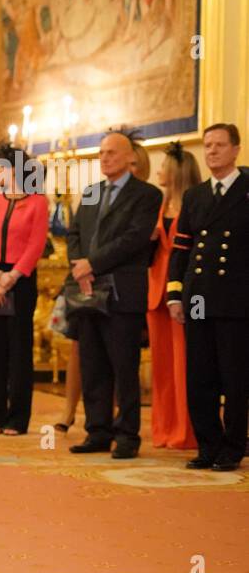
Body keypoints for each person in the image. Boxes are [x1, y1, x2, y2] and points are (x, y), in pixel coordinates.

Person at [66, 131, 163, 458]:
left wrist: (92, 263)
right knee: (93, 365)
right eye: (102, 153)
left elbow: (133, 239)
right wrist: (79, 265)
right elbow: (75, 233)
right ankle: (97, 431)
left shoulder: (146, 195)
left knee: (124, 367)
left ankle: (127, 436)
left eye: (111, 152)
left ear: (128, 157)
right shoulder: (92, 193)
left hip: (122, 293)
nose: (105, 158)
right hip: (88, 292)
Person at [167, 123, 249, 471]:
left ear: (236, 149)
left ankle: (233, 446)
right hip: (198, 297)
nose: (212, 151)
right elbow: (181, 248)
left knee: (234, 377)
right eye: (208, 145)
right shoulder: (196, 195)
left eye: (219, 145)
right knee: (200, 374)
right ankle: (208, 445)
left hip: (237, 298)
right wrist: (175, 295)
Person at [0, 144, 49, 435]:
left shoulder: (37, 202)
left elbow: (36, 245)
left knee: (19, 347)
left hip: (21, 279)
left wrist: (12, 277)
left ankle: (17, 417)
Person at [148, 141, 201, 450]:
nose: (158, 171)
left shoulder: (195, 205)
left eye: (163, 166)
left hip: (184, 290)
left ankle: (186, 430)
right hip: (155, 288)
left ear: (176, 171)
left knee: (185, 365)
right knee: (163, 367)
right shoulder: (158, 204)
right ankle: (163, 429)